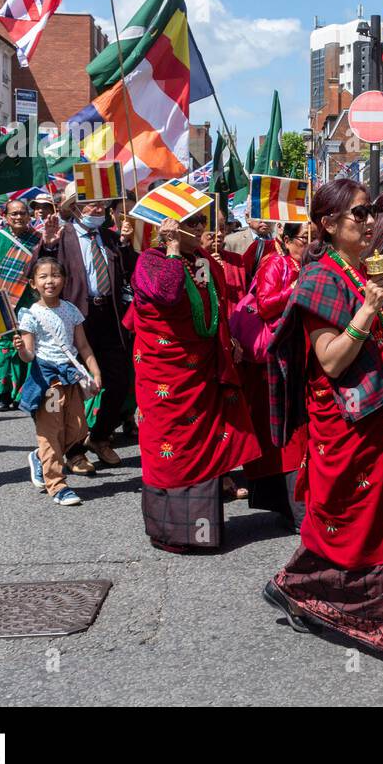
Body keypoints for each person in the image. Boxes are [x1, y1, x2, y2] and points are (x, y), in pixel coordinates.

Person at [263, 179, 383, 673]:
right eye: (358, 215)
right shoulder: (320, 278)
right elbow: (334, 360)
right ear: (328, 224)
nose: (368, 222)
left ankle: (303, 590)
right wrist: (367, 311)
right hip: (352, 424)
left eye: (369, 214)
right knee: (359, 520)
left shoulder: (366, 268)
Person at [126, 212, 259, 552]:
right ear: (171, 227)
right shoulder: (150, 261)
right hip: (166, 375)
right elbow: (167, 295)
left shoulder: (201, 260)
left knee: (203, 441)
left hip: (201, 368)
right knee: (173, 447)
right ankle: (174, 532)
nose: (201, 228)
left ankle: (203, 530)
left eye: (202, 221)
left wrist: (230, 341)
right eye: (192, 222)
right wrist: (171, 248)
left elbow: (218, 304)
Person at [35, 186, 137, 473]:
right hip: (75, 317)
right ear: (75, 207)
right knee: (74, 388)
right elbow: (39, 270)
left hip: (110, 316)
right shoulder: (61, 235)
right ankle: (74, 450)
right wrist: (49, 244)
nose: (97, 208)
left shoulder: (111, 237)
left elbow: (132, 272)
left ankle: (100, 436)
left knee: (119, 382)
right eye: (89, 202)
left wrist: (127, 244)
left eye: (101, 203)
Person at [230, 221, 312, 524]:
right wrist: (294, 288)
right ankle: (295, 510)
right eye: (304, 239)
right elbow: (265, 305)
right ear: (287, 240)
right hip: (275, 362)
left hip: (302, 356)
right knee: (288, 438)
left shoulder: (310, 264)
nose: (309, 244)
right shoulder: (275, 264)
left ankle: (297, 508)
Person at [14, 257, 103, 506]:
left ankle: (41, 456)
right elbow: (29, 355)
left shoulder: (71, 310)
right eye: (43, 276)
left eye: (55, 275)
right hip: (49, 383)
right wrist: (21, 349)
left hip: (71, 378)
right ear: (33, 283)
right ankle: (57, 484)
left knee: (78, 429)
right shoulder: (30, 315)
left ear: (64, 280)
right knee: (50, 432)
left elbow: (83, 346)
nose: (50, 281)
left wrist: (95, 372)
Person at [0, 199, 41, 411]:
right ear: (5, 217)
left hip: (29, 300)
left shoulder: (37, 239)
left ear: (29, 215)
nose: (18, 217)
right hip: (2, 299)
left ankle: (24, 392)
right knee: (5, 347)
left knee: (27, 344)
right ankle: (4, 394)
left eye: (22, 213)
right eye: (14, 214)